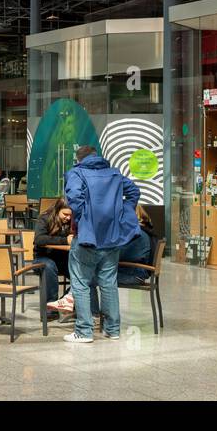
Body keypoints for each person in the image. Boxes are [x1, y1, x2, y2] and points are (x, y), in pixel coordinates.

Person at [63, 143, 139, 344]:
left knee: (80, 284)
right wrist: (120, 212)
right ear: (97, 156)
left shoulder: (76, 173)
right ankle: (112, 329)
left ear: (78, 159)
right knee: (108, 284)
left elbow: (74, 198)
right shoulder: (114, 174)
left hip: (87, 238)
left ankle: (84, 331)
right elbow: (134, 193)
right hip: (112, 238)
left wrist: (84, 217)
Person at [38, 199, 75, 319]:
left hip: (63, 259)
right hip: (43, 258)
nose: (68, 218)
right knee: (49, 266)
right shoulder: (45, 218)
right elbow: (39, 239)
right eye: (65, 214)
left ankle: (62, 301)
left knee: (83, 274)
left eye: (70, 215)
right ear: (57, 211)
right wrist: (65, 240)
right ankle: (50, 307)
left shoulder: (73, 222)